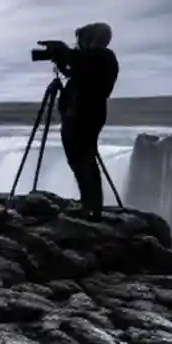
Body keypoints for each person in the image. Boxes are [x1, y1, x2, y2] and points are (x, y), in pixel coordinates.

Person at [49, 22, 119, 219]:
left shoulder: (103, 56)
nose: (79, 44)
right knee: (80, 159)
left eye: (82, 40)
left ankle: (92, 206)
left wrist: (62, 50)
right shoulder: (95, 60)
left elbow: (80, 61)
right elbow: (77, 71)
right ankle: (89, 203)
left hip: (86, 114)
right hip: (81, 114)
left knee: (83, 159)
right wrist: (62, 61)